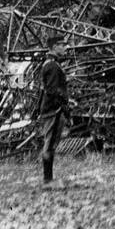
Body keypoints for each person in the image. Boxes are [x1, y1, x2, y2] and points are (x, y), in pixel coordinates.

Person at [33, 42, 70, 186]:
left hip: (52, 108)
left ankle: (49, 179)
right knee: (49, 144)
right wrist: (64, 105)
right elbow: (52, 90)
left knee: (51, 143)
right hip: (53, 109)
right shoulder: (52, 66)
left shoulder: (50, 64)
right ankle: (48, 180)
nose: (66, 48)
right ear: (55, 47)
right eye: (63, 45)